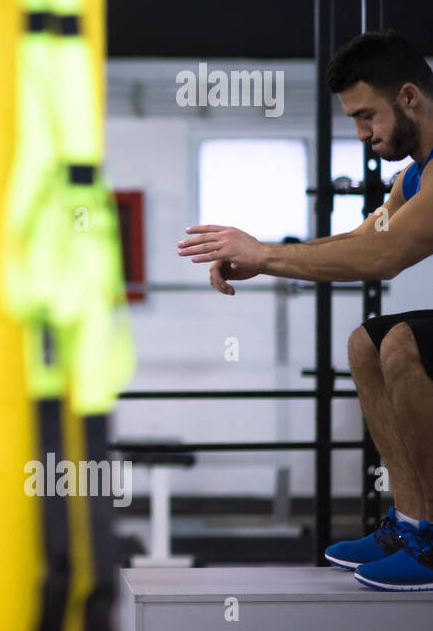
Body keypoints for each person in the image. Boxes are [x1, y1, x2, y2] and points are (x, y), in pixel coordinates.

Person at [178, 30, 433, 591]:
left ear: (409, 97)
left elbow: (385, 256)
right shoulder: (411, 178)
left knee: (401, 343)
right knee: (366, 342)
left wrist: (265, 253)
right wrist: (264, 260)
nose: (363, 134)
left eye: (368, 116)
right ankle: (412, 527)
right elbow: (366, 236)